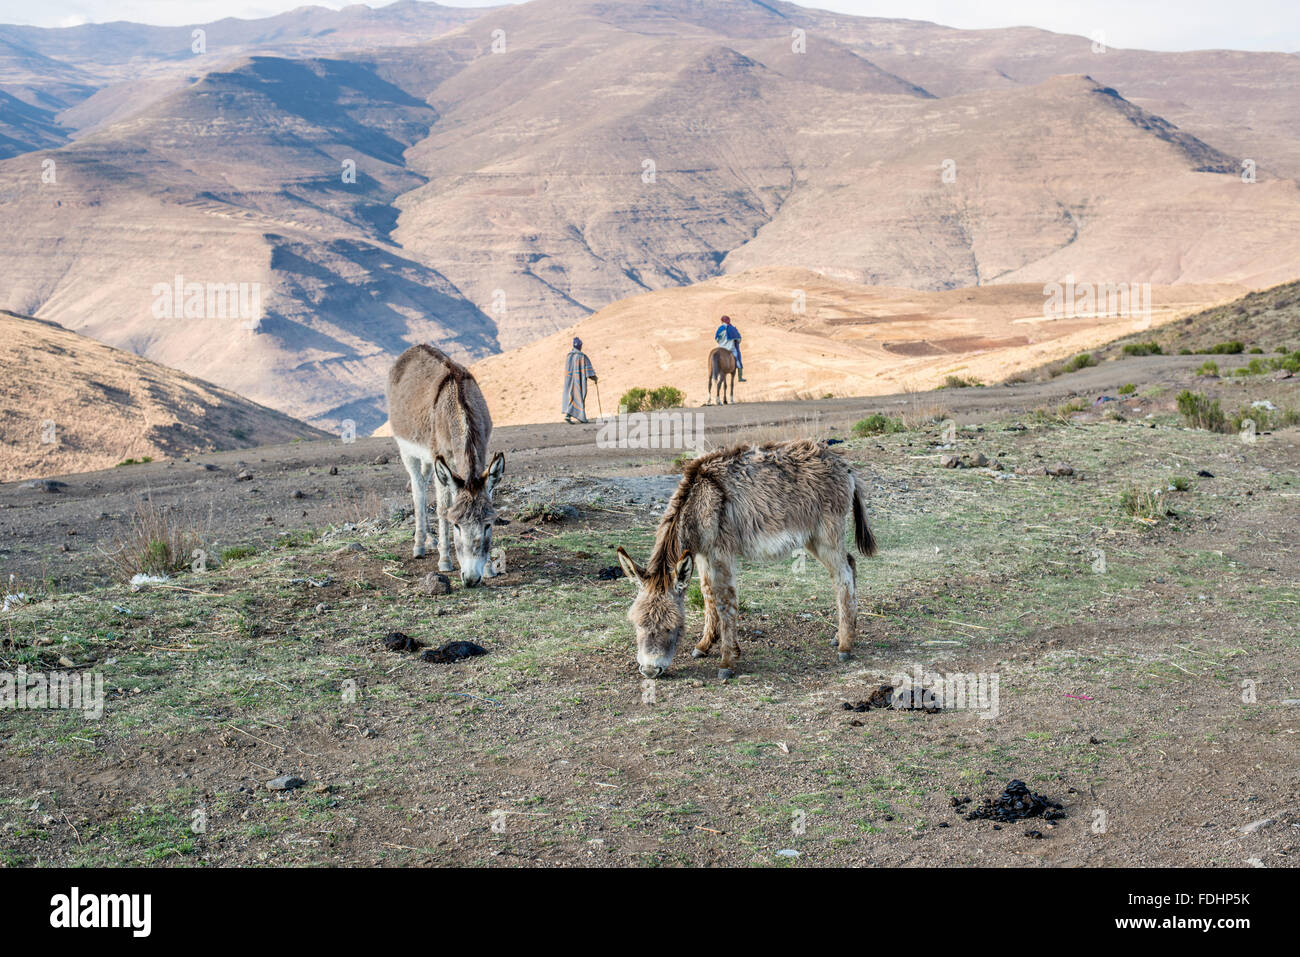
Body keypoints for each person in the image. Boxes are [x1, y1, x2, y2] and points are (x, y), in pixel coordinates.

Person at [562, 337, 597, 423]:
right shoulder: (582, 357)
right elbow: (589, 371)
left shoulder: (569, 356)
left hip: (569, 382)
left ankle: (569, 416)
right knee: (579, 398)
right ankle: (581, 417)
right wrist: (594, 378)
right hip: (579, 382)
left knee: (572, 397)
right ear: (580, 346)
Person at [714, 315, 746, 381]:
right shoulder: (732, 329)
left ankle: (715, 375)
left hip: (721, 349)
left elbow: (717, 339)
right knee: (737, 361)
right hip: (730, 349)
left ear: (722, 321)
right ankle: (740, 378)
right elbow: (739, 339)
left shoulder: (720, 329)